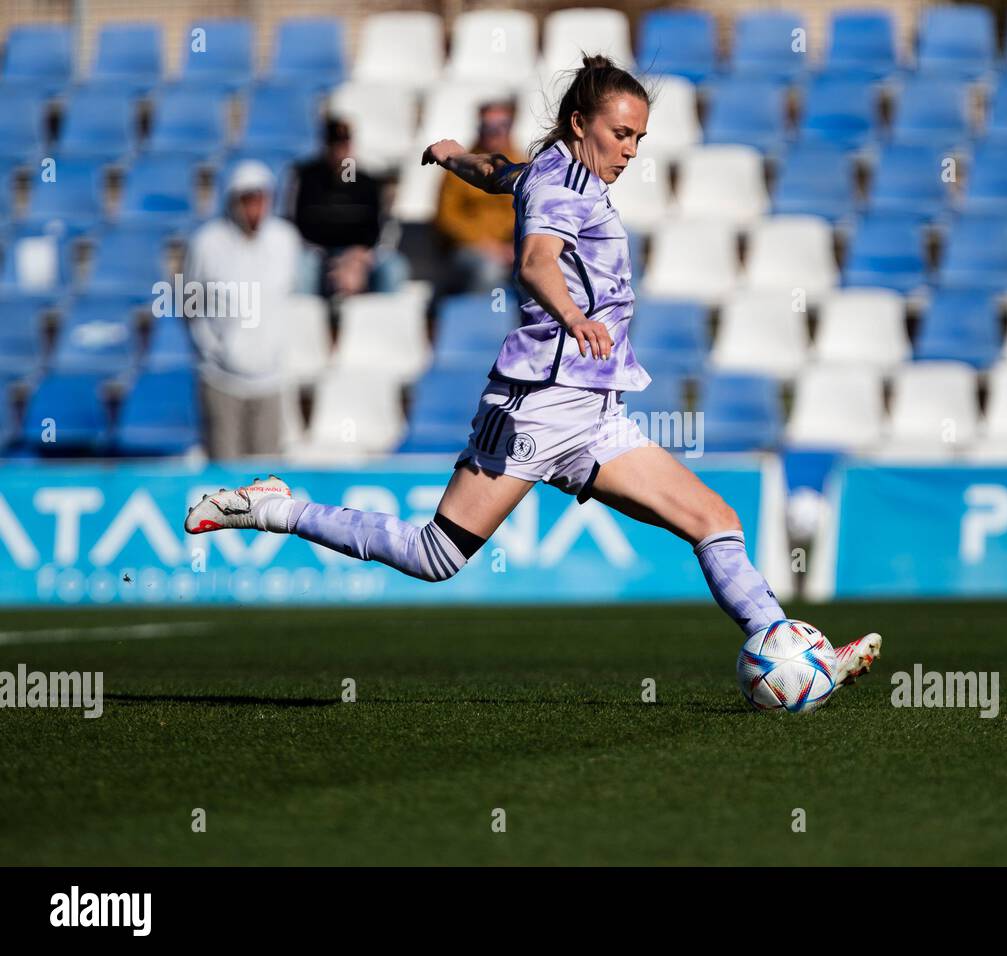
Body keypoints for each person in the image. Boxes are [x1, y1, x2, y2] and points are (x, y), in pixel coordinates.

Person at [184, 56, 881, 690]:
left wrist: (456, 157)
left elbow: (500, 175)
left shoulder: (553, 172)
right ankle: (273, 506)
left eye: (639, 138)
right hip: (538, 404)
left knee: (714, 519)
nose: (631, 151)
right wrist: (575, 317)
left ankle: (794, 651)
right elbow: (536, 261)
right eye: (621, 134)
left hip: (593, 411)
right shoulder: (560, 189)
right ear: (581, 124)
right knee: (436, 554)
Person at [185, 160, 299, 459]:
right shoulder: (207, 243)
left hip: (269, 379)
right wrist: (213, 349)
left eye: (260, 199)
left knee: (266, 482)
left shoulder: (285, 240)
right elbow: (190, 303)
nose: (254, 208)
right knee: (227, 482)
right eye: (247, 199)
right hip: (222, 379)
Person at [288, 116, 408, 297]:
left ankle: (385, 321)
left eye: (344, 144)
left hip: (359, 253)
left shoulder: (366, 181)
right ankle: (303, 320)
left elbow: (381, 227)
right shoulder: (307, 178)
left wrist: (358, 256)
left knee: (393, 267)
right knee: (302, 267)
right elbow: (294, 225)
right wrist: (332, 260)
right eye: (335, 144)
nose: (340, 150)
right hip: (318, 253)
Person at [431, 100, 521, 296]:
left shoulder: (522, 165)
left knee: (540, 271)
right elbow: (447, 219)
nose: (494, 132)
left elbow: (530, 213)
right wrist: (485, 244)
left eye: (501, 125)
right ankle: (484, 325)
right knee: (488, 271)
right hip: (470, 250)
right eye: (487, 126)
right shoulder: (459, 168)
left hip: (510, 249)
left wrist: (513, 246)